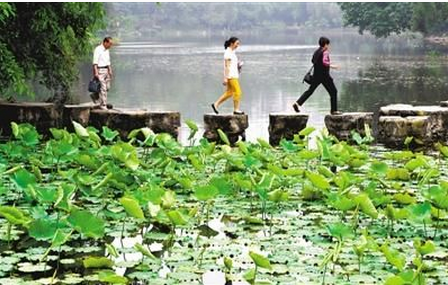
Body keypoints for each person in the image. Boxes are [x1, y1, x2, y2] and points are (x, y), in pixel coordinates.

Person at [293, 36, 341, 115]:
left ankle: (297, 103)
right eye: (328, 44)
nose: (328, 46)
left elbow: (313, 61)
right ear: (325, 44)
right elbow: (324, 62)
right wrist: (333, 66)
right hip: (325, 76)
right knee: (333, 91)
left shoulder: (316, 52)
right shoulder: (325, 52)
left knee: (310, 91)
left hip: (316, 76)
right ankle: (334, 110)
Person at [211, 37, 244, 115]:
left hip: (233, 75)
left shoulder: (232, 52)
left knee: (229, 92)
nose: (238, 45)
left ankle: (216, 104)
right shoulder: (228, 53)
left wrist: (238, 65)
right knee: (238, 92)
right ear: (232, 43)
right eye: (237, 43)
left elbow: (232, 64)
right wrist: (225, 78)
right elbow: (227, 66)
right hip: (231, 76)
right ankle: (236, 109)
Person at [91, 37, 113, 110]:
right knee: (103, 88)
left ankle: (95, 95)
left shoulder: (107, 50)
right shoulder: (98, 49)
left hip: (106, 70)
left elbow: (108, 61)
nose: (110, 45)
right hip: (100, 70)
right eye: (110, 44)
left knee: (107, 87)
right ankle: (103, 104)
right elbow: (95, 62)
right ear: (105, 42)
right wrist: (96, 72)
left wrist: (110, 70)